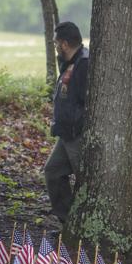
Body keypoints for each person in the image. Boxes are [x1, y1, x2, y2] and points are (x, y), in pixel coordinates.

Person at [44, 22, 89, 223]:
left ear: (64, 44)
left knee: (85, 181)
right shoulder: (71, 62)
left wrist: (77, 125)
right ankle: (67, 221)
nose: (55, 48)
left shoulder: (84, 64)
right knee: (53, 171)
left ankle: (85, 225)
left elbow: (86, 101)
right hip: (66, 134)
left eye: (55, 44)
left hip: (77, 134)